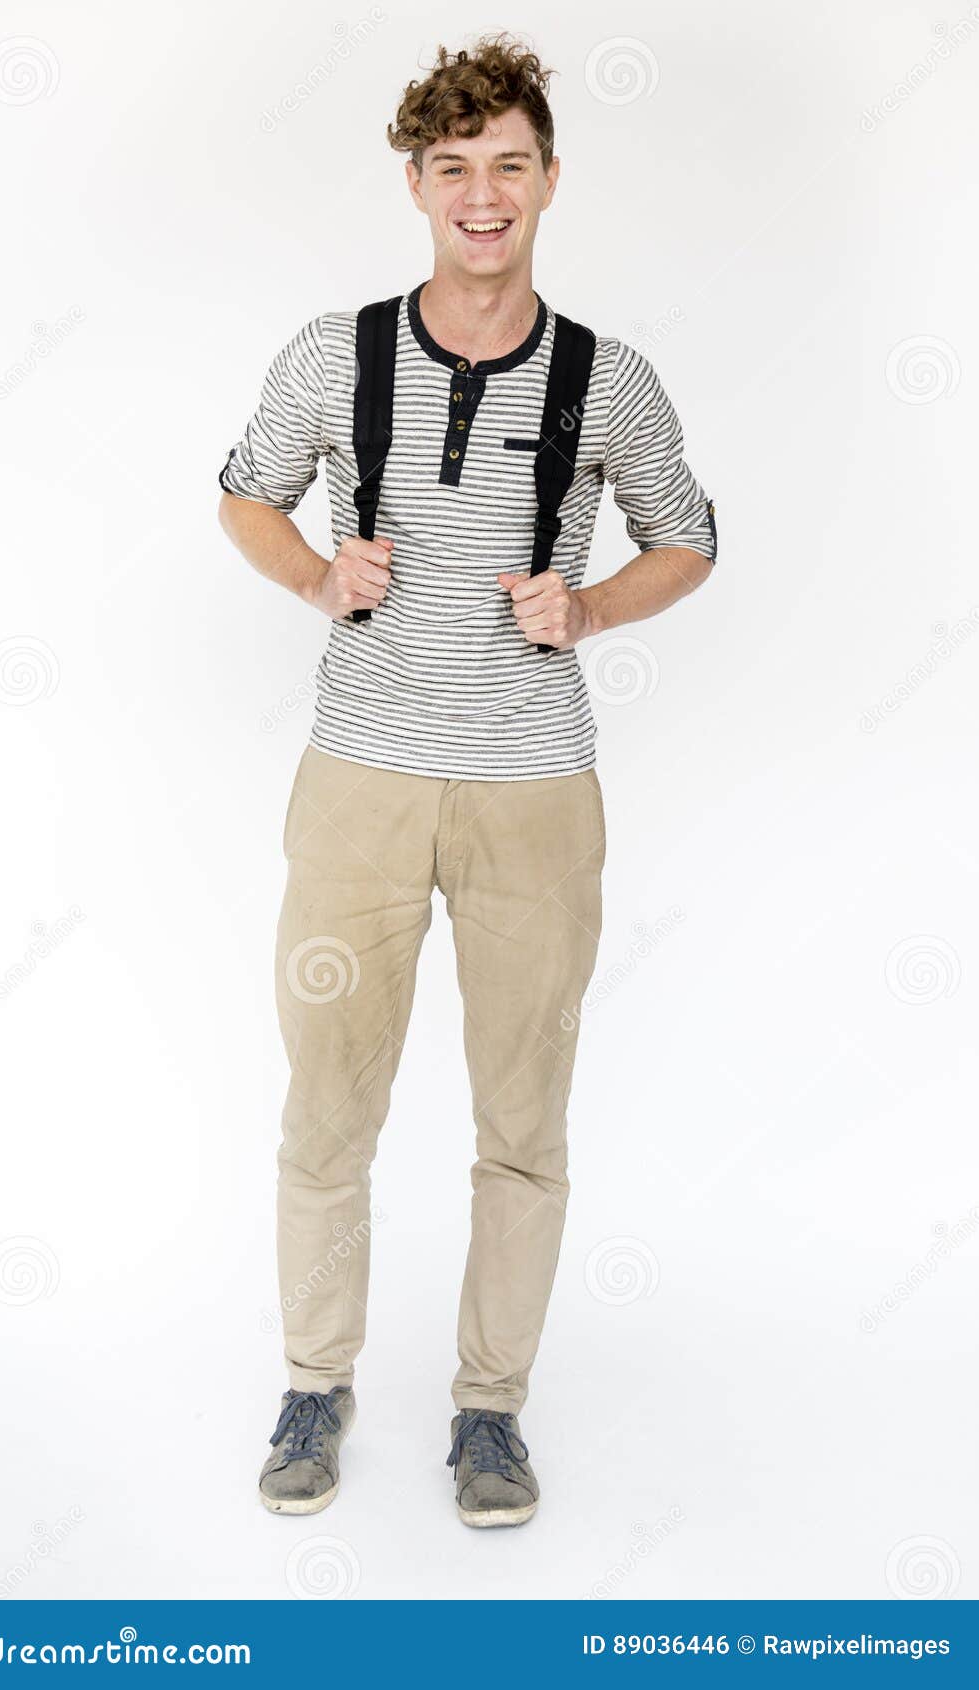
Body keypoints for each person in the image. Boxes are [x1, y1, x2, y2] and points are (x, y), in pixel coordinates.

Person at [217, 34, 717, 1529]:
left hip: (532, 796)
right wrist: (317, 571)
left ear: (550, 180)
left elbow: (684, 532)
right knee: (328, 1105)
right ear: (418, 186)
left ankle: (489, 1409)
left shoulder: (608, 378)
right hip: (360, 782)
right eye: (455, 171)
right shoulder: (334, 354)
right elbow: (247, 492)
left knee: (524, 1119)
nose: (483, 197)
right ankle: (318, 1377)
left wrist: (598, 606)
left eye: (510, 166)